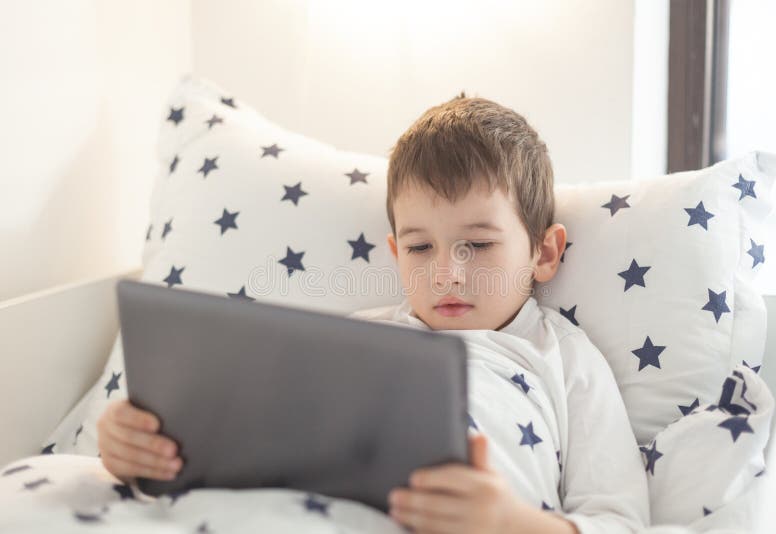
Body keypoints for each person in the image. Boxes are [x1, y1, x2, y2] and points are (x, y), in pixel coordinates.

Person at [97, 93, 649, 533]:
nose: (446, 274)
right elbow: (246, 451)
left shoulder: (564, 358)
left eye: (477, 246)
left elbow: (619, 521)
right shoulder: (351, 342)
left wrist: (509, 524)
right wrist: (142, 448)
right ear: (395, 254)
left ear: (544, 253)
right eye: (419, 248)